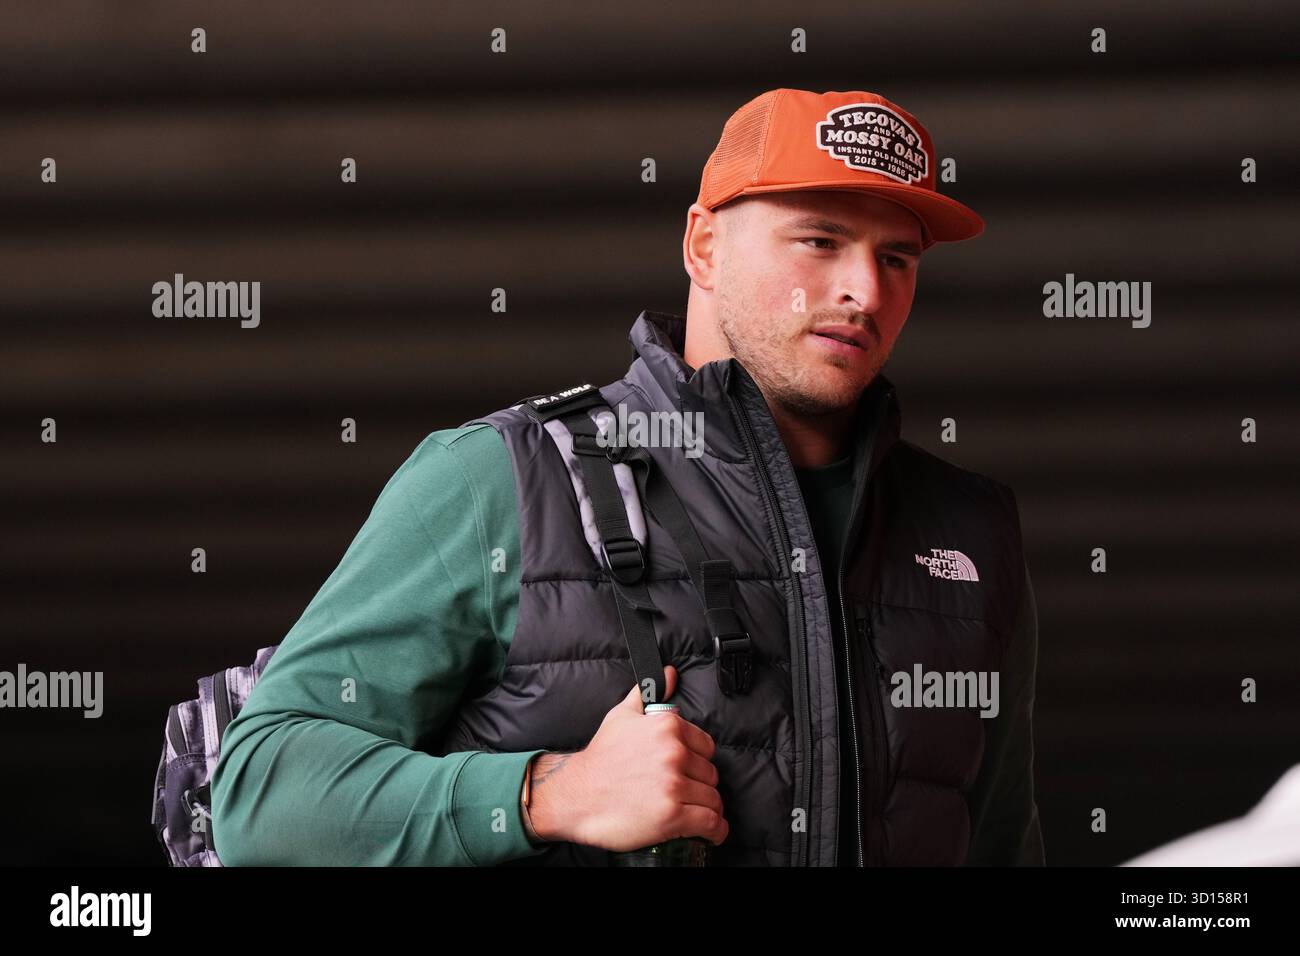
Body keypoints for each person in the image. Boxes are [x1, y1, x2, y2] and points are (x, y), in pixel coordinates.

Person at [211, 88, 1044, 866]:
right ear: (703, 245)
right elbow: (258, 790)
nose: (863, 290)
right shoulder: (503, 480)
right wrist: (548, 794)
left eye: (897, 259)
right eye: (820, 240)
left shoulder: (967, 533)